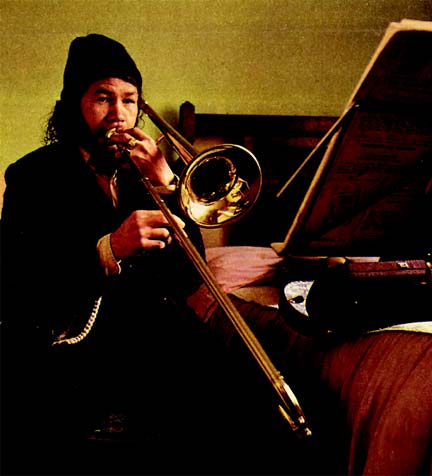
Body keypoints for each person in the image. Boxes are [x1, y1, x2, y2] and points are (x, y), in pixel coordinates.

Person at [0, 34, 333, 476]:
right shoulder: (33, 176)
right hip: (81, 349)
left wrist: (168, 183)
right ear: (73, 104)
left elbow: (189, 276)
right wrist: (109, 248)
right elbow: (23, 285)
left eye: (129, 100)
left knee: (266, 407)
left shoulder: (146, 172)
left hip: (158, 337)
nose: (118, 114)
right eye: (102, 98)